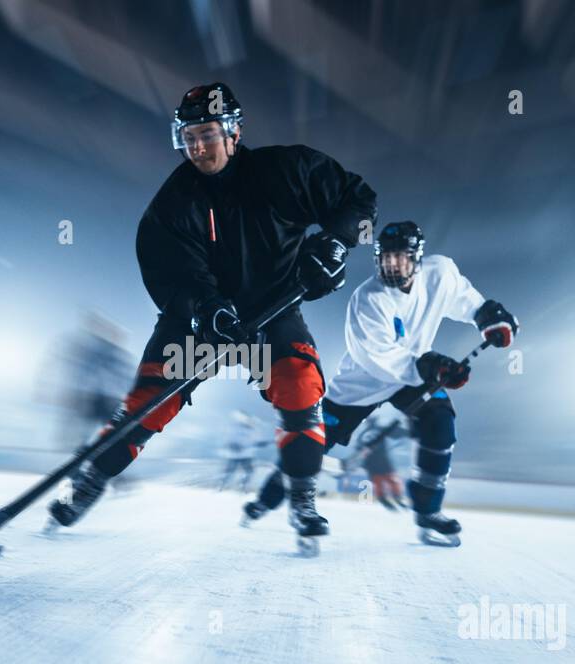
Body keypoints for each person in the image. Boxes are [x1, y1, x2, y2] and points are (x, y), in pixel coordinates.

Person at [46, 82, 377, 549]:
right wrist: (205, 309)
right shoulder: (172, 205)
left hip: (272, 315)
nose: (198, 147)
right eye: (190, 138)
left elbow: (359, 201)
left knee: (301, 387)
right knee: (148, 402)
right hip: (201, 325)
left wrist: (338, 241)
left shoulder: (286, 171)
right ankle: (90, 481)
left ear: (234, 133)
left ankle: (302, 498)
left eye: (207, 134)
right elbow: (169, 275)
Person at [242, 221, 518, 546]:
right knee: (311, 444)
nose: (392, 264)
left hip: (413, 373)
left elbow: (465, 299)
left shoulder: (441, 272)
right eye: (386, 257)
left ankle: (428, 512)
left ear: (417, 257)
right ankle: (269, 499)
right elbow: (378, 357)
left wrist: (489, 317)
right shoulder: (368, 298)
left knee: (441, 424)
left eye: (400, 257)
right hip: (362, 383)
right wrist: (433, 365)